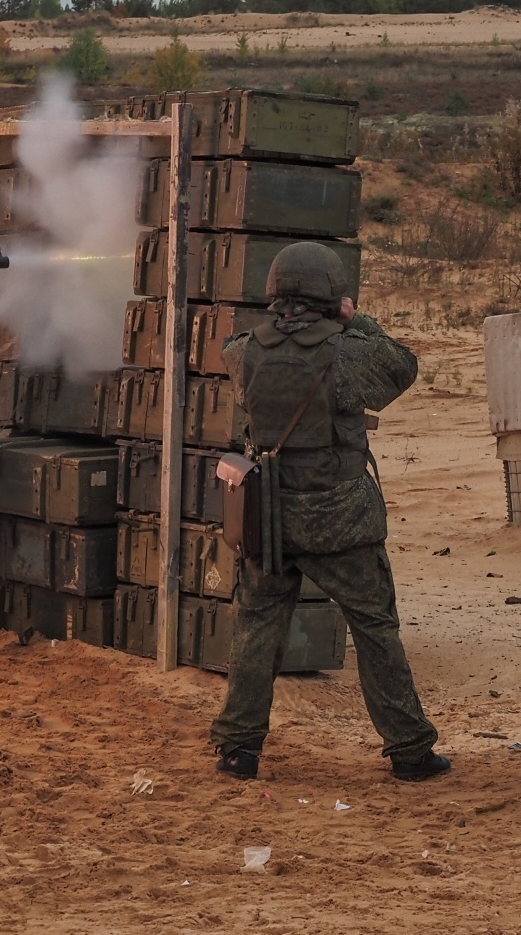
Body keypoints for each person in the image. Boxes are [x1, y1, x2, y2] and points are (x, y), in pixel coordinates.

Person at [210, 241, 449, 782]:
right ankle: (409, 750)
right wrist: (356, 318)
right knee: (374, 630)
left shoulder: (243, 351)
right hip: (341, 518)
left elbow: (238, 355)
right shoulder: (349, 351)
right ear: (331, 294)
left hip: (267, 517)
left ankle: (238, 749)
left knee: (256, 629)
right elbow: (402, 367)